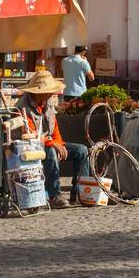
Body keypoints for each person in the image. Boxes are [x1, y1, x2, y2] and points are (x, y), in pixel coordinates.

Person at [14, 71, 90, 208]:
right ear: (38, 92)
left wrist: (59, 144)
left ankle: (79, 192)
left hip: (50, 143)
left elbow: (55, 128)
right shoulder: (22, 107)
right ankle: (55, 195)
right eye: (48, 91)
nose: (51, 94)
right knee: (50, 151)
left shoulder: (47, 102)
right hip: (30, 145)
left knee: (82, 150)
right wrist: (53, 144)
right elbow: (29, 134)